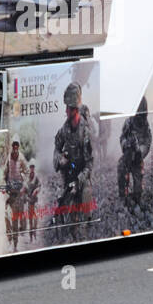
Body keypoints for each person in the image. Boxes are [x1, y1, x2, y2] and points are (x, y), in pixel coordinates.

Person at [53, 82, 94, 229]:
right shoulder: (64, 129)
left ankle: (89, 221)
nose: (66, 111)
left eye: (68, 108)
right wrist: (60, 159)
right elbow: (56, 147)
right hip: (69, 174)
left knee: (85, 195)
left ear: (75, 109)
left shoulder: (85, 133)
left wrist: (78, 181)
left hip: (82, 175)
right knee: (66, 207)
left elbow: (90, 165)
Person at [118, 95, 151, 203]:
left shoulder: (146, 126)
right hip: (127, 156)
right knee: (121, 168)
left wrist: (140, 152)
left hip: (138, 160)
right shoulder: (129, 122)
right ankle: (123, 195)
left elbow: (148, 142)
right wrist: (126, 145)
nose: (140, 118)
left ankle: (136, 196)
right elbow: (122, 137)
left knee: (138, 194)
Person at [2, 137, 31, 251]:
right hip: (9, 193)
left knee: (15, 220)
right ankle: (9, 241)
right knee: (6, 217)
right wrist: (4, 185)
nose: (15, 147)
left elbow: (28, 172)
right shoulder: (8, 158)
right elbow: (4, 174)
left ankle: (14, 245)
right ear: (11, 145)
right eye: (13, 144)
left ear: (18, 146)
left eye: (16, 145)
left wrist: (24, 184)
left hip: (18, 193)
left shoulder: (22, 158)